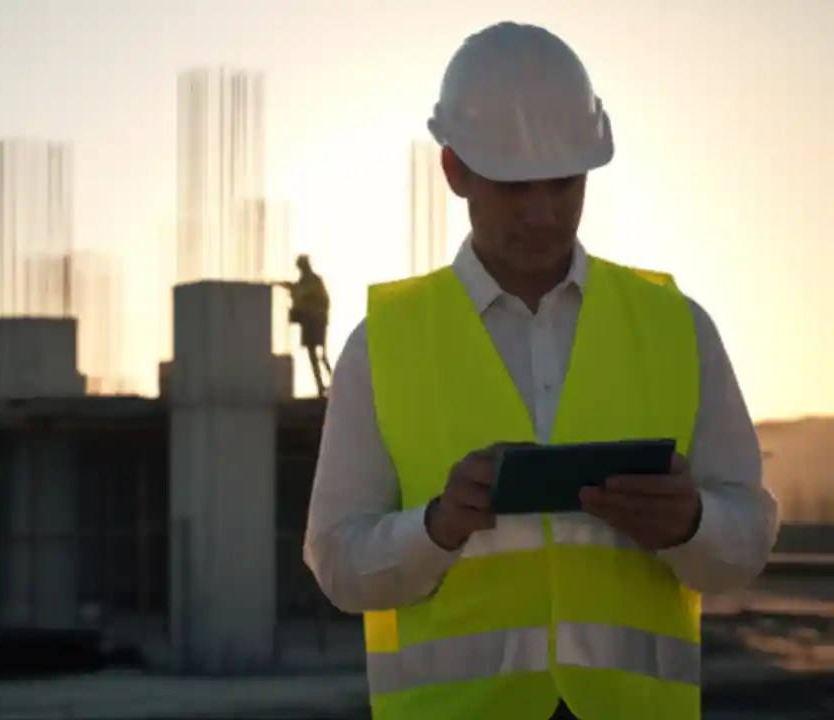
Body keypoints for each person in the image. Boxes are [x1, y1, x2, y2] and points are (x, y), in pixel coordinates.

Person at [302, 21, 777, 720]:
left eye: (563, 184)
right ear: (456, 171)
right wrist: (436, 527)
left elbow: (745, 543)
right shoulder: (383, 346)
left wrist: (692, 523)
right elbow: (339, 566)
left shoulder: (678, 328)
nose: (543, 213)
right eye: (514, 187)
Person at [276, 254, 333, 396]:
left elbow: (321, 300)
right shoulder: (306, 282)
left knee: (321, 355)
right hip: (310, 322)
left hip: (316, 322)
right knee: (313, 356)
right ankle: (321, 386)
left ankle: (334, 383)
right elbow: (298, 292)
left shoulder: (314, 281)